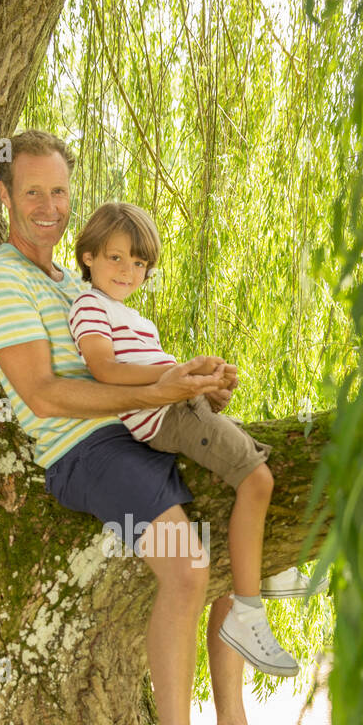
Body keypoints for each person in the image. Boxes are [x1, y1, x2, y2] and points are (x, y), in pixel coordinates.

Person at [0, 130, 308, 725]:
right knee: (185, 567)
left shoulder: (70, 283)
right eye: (32, 192)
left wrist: (190, 383)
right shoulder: (1, 283)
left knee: (233, 528)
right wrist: (162, 388)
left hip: (135, 435)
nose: (49, 206)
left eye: (59, 191)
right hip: (85, 454)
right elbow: (46, 393)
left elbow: (125, 362)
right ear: (4, 197)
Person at [68, 200, 299, 679]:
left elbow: (165, 377)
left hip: (178, 408)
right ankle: (247, 612)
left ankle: (268, 572)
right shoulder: (89, 306)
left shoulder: (137, 321)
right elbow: (104, 369)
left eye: (139, 263)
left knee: (258, 459)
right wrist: (179, 376)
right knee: (257, 480)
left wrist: (207, 385)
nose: (128, 271)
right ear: (88, 255)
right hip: (161, 418)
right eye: (116, 257)